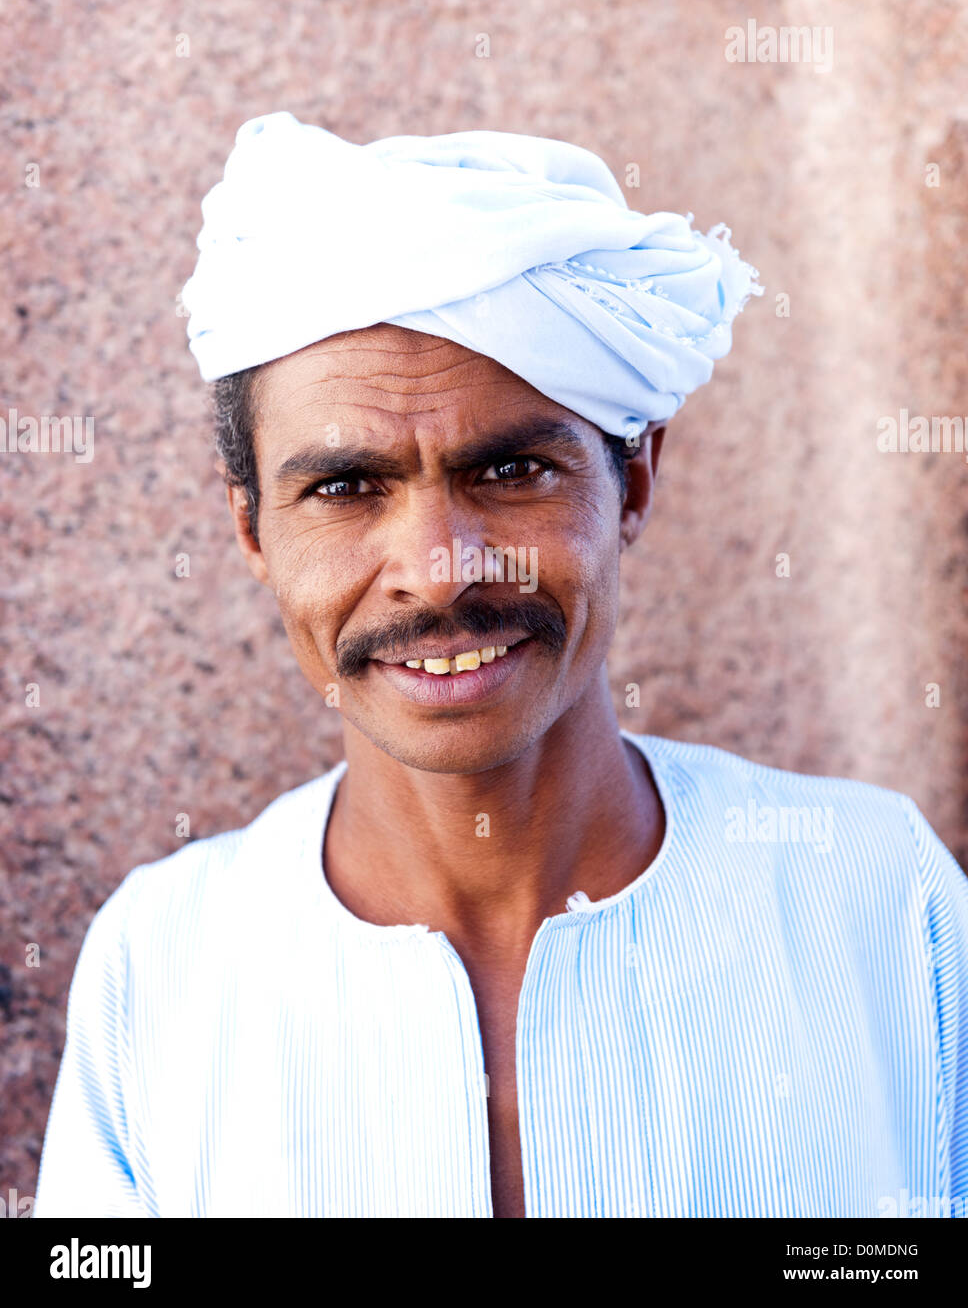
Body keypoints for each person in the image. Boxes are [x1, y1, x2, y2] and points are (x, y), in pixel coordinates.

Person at [34, 113, 967, 1218]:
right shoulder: (165, 963)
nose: (437, 572)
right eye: (343, 488)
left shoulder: (874, 896)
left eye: (513, 468)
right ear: (250, 528)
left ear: (632, 481)